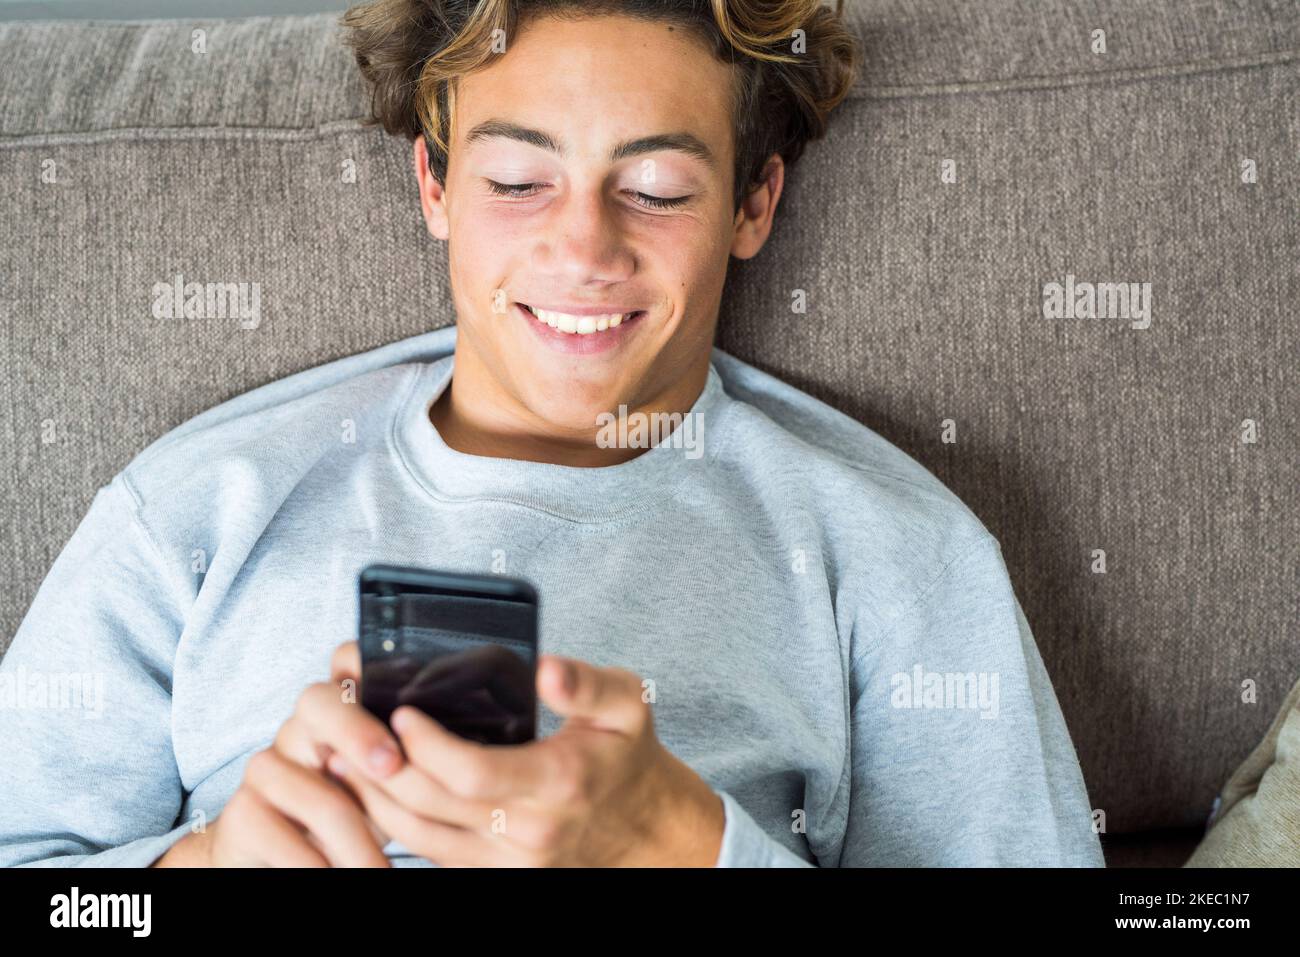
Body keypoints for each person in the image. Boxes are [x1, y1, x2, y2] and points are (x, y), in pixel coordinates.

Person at [0, 0, 1104, 867]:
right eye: (519, 180)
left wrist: (682, 852)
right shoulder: (195, 511)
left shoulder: (896, 552)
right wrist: (207, 870)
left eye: (660, 189)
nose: (584, 248)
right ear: (435, 184)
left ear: (753, 206)